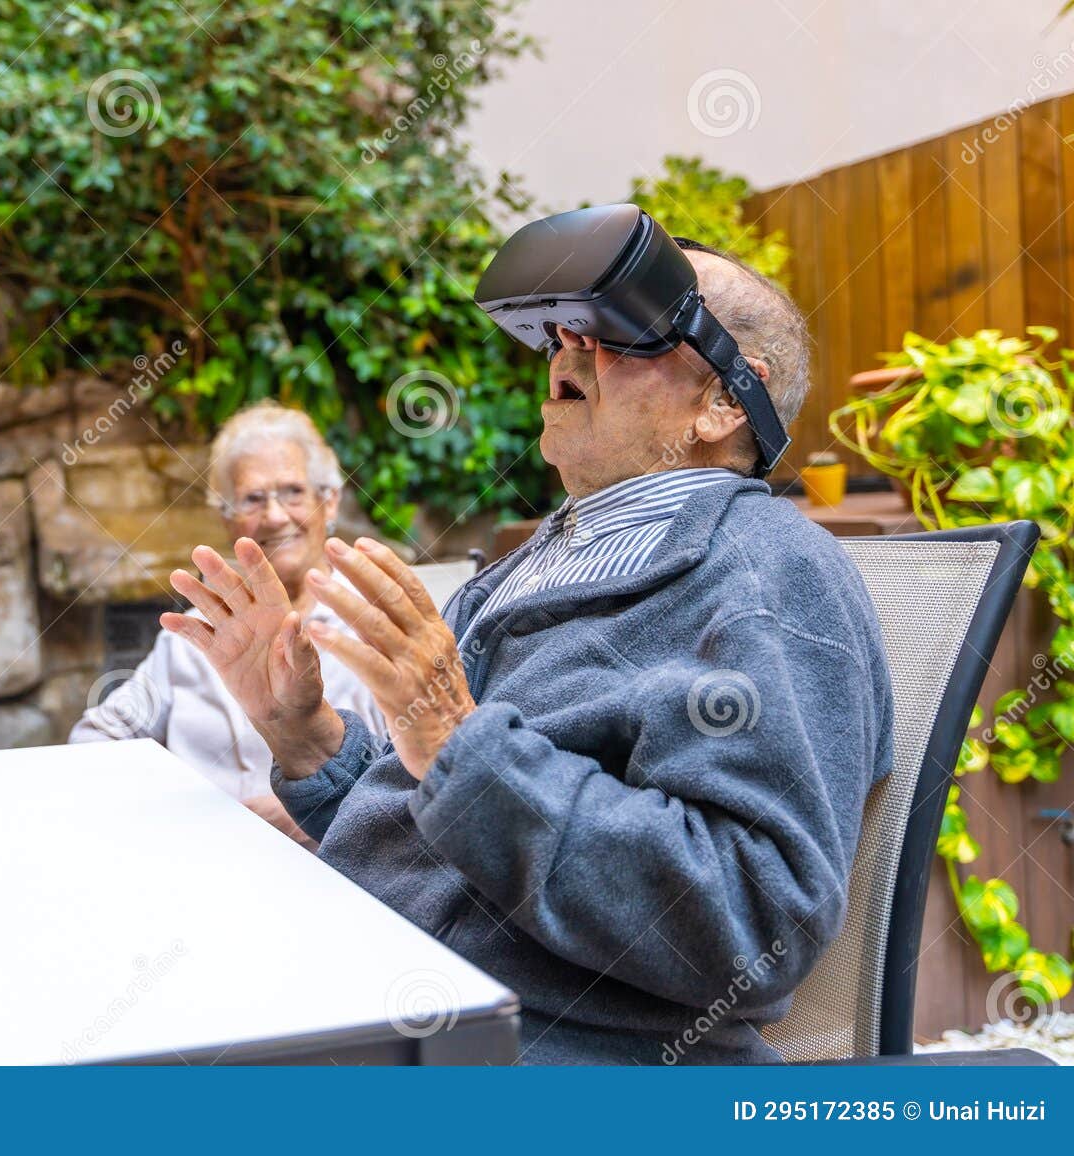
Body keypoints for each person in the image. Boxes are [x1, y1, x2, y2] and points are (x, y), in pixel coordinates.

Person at [159, 240, 896, 1063]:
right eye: (562, 331)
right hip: (379, 980)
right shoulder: (538, 564)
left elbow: (754, 919)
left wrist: (455, 741)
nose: (568, 349)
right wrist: (304, 734)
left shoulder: (765, 571)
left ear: (724, 399)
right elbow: (440, 838)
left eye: (621, 327)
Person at [70, 401, 385, 845]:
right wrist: (182, 815)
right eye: (253, 499)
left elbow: (416, 773)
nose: (274, 516)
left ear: (328, 501)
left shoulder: (373, 625)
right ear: (226, 515)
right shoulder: (192, 635)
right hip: (195, 864)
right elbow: (95, 739)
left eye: (293, 492)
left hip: (333, 871)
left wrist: (318, 808)